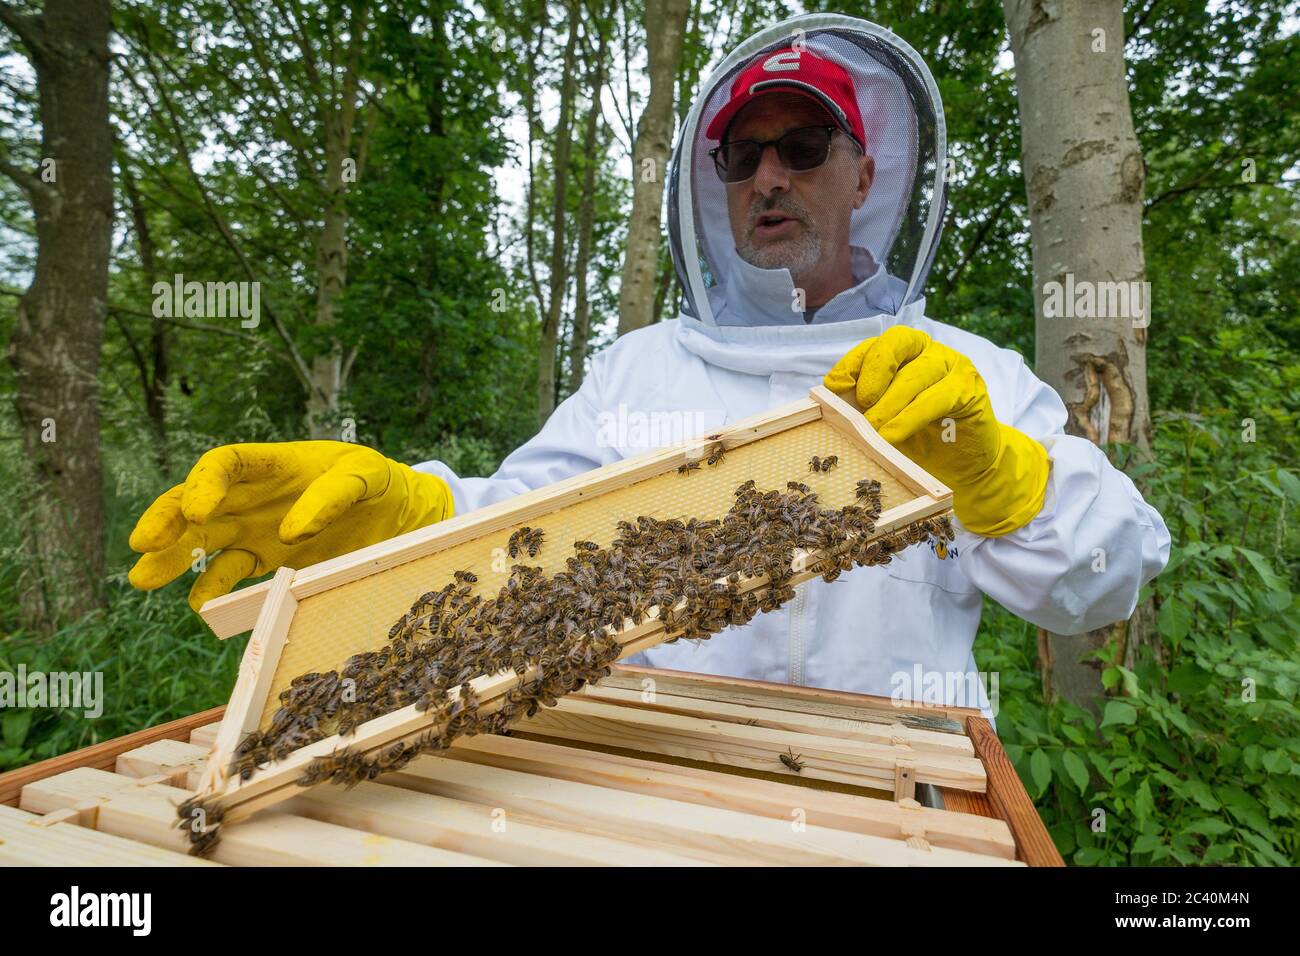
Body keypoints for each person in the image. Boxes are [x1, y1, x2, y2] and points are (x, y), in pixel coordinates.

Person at [128, 14, 1169, 716]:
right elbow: (521, 542)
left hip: (898, 802)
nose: (768, 175)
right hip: (654, 790)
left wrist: (1005, 477)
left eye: (803, 147)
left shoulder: (962, 369)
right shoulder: (639, 371)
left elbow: (1108, 576)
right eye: (740, 154)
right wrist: (409, 521)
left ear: (864, 175)